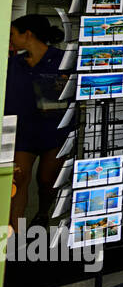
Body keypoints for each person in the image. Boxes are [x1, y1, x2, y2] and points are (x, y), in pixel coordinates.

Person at [6, 14, 73, 226]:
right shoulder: (13, 63)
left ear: (28, 35)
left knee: (47, 180)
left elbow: (83, 89)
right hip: (22, 131)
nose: (10, 39)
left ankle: (43, 212)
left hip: (54, 131)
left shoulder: (64, 60)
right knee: (19, 180)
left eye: (12, 34)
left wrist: (65, 87)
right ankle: (14, 231)